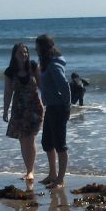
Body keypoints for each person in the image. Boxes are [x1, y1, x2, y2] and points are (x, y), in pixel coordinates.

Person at [2, 43, 44, 184]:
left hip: (34, 107)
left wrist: (50, 101)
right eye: (20, 52)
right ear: (14, 55)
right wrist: (5, 110)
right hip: (18, 109)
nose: (24, 54)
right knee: (22, 140)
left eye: (25, 52)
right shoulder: (9, 72)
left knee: (30, 139)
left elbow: (41, 85)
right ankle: (28, 170)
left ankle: (31, 171)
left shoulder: (33, 66)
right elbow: (8, 92)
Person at [35, 34, 71, 186]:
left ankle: (60, 179)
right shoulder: (46, 62)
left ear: (42, 47)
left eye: (37, 46)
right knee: (47, 143)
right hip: (50, 107)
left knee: (60, 144)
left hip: (58, 108)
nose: (35, 49)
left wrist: (67, 106)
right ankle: (52, 174)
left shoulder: (54, 64)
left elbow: (64, 85)